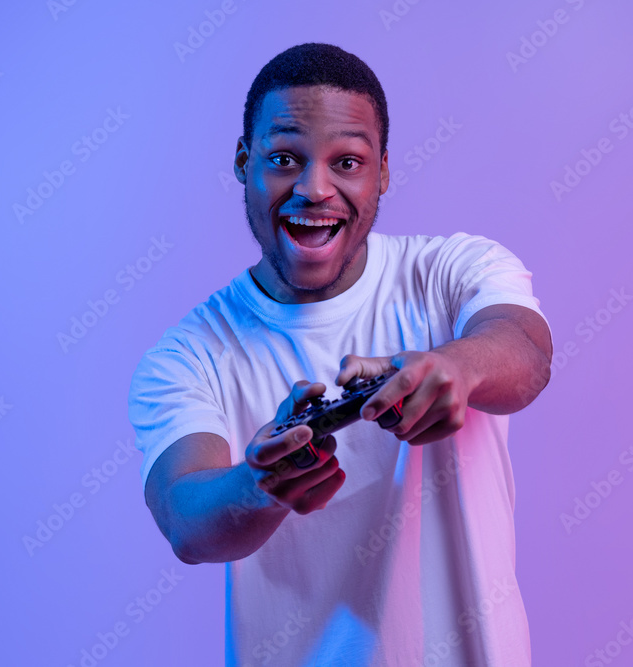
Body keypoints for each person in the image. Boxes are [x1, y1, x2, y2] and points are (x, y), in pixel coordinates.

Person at [128, 42, 553, 667]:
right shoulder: (189, 354)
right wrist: (258, 485)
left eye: (347, 162)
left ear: (381, 171)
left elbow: (525, 352)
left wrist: (455, 369)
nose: (313, 188)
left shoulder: (454, 271)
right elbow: (187, 523)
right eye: (283, 159)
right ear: (245, 164)